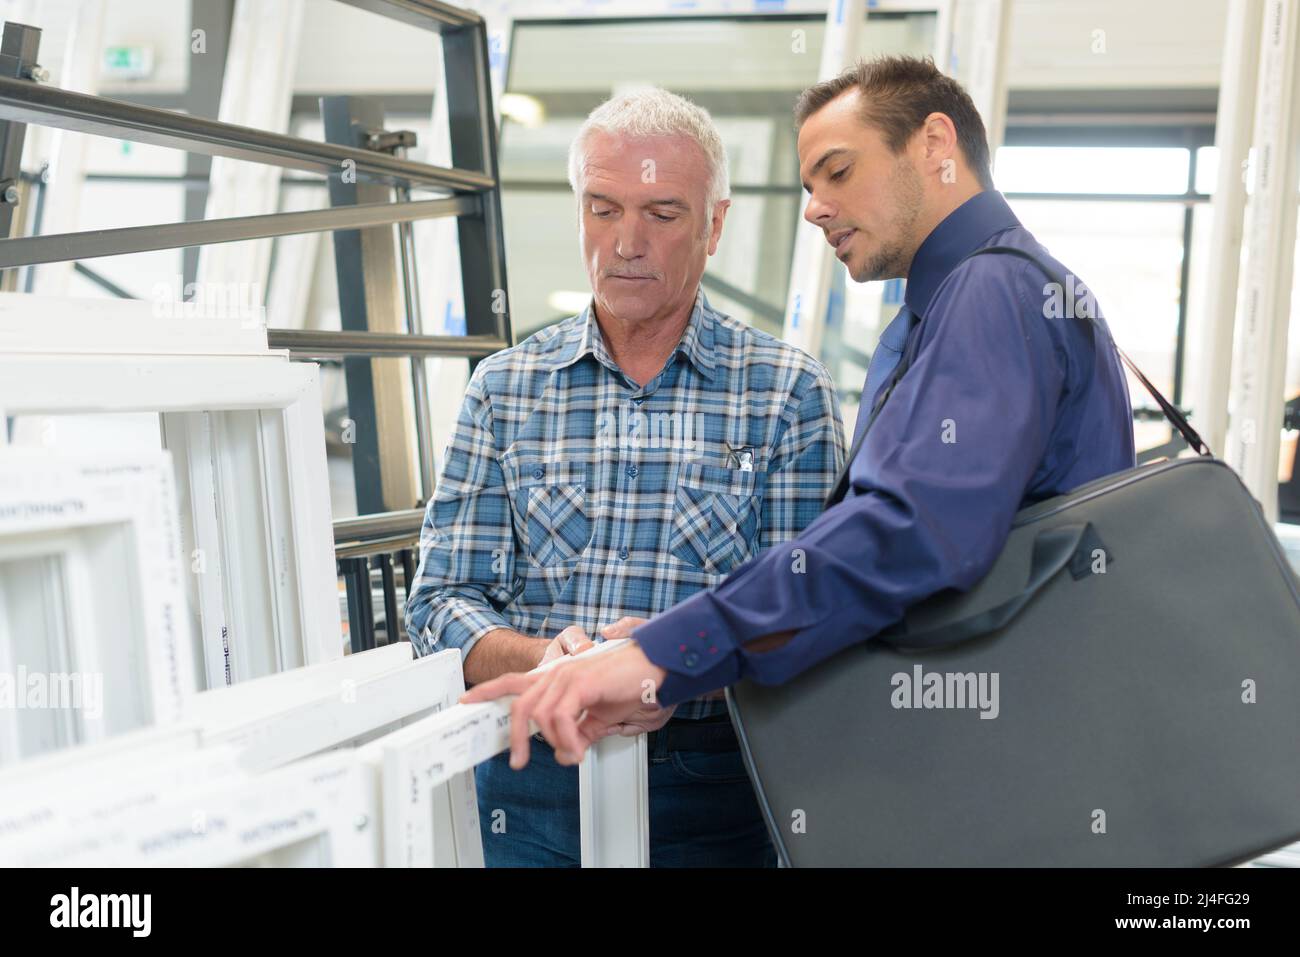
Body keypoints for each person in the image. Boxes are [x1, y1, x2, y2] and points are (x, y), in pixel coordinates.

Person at [463, 56, 1137, 773]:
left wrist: (660, 652)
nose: (814, 206)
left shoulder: (990, 290)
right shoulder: (978, 296)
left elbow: (905, 534)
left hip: (1002, 766)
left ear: (936, 146)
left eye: (838, 172)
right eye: (810, 185)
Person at [405, 87, 845, 866]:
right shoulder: (505, 390)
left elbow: (807, 620)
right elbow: (440, 603)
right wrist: (550, 661)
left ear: (714, 226)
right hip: (529, 780)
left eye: (662, 213)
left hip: (710, 787)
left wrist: (674, 663)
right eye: (603, 209)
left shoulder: (786, 393)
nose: (626, 242)